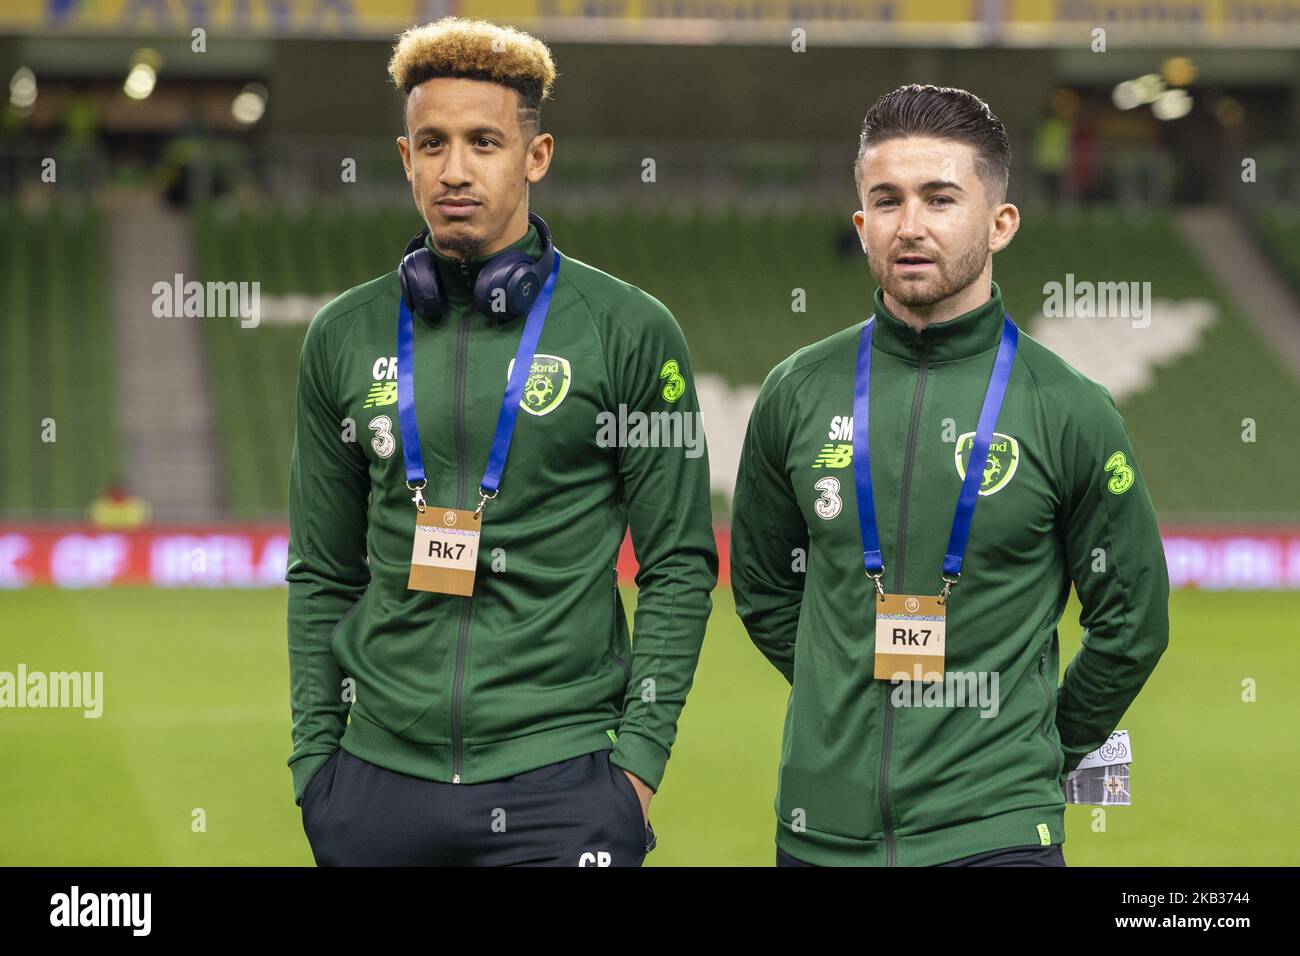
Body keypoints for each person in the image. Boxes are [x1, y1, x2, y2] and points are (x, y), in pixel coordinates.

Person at [286, 17, 717, 866]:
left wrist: (635, 769)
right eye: (432, 143)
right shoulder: (343, 334)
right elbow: (322, 570)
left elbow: (678, 563)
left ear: (536, 155)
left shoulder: (628, 330)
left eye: (484, 142)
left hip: (562, 786)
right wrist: (315, 763)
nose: (455, 169)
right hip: (373, 785)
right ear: (405, 159)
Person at [731, 84, 1169, 867]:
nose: (910, 225)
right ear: (861, 225)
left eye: (940, 198)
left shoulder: (1069, 407)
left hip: (997, 836)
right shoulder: (796, 390)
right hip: (818, 831)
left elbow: (1133, 622)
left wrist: (1035, 748)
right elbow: (764, 586)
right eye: (887, 201)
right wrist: (843, 701)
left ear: (1000, 222)